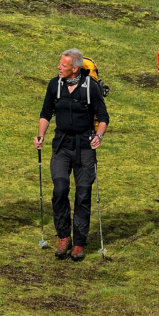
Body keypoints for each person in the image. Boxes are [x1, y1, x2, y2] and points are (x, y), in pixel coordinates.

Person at [35, 48, 109, 262]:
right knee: (60, 190)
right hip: (61, 145)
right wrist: (40, 136)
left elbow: (103, 116)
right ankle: (63, 236)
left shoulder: (90, 88)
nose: (59, 67)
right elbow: (46, 113)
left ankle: (79, 243)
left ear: (74, 69)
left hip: (85, 147)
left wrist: (99, 137)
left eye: (63, 65)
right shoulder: (54, 85)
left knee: (83, 194)